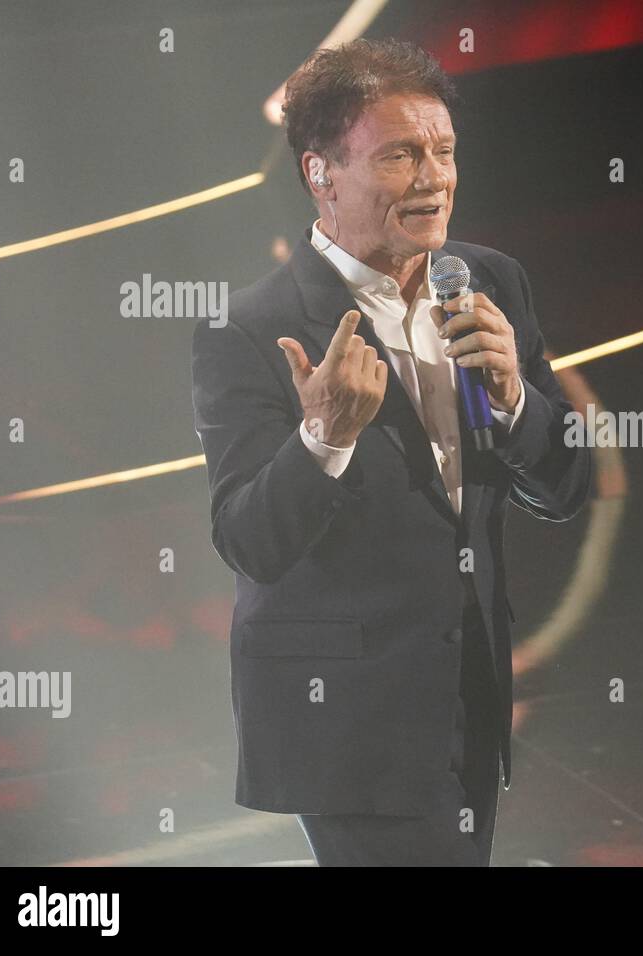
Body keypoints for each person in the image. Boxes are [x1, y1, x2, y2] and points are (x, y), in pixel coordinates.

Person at [190, 39, 590, 865]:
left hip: (470, 698)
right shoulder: (251, 328)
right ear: (320, 174)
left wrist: (515, 401)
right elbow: (247, 540)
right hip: (345, 720)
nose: (435, 178)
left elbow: (565, 487)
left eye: (444, 150)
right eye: (401, 155)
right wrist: (323, 437)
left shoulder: (492, 283)